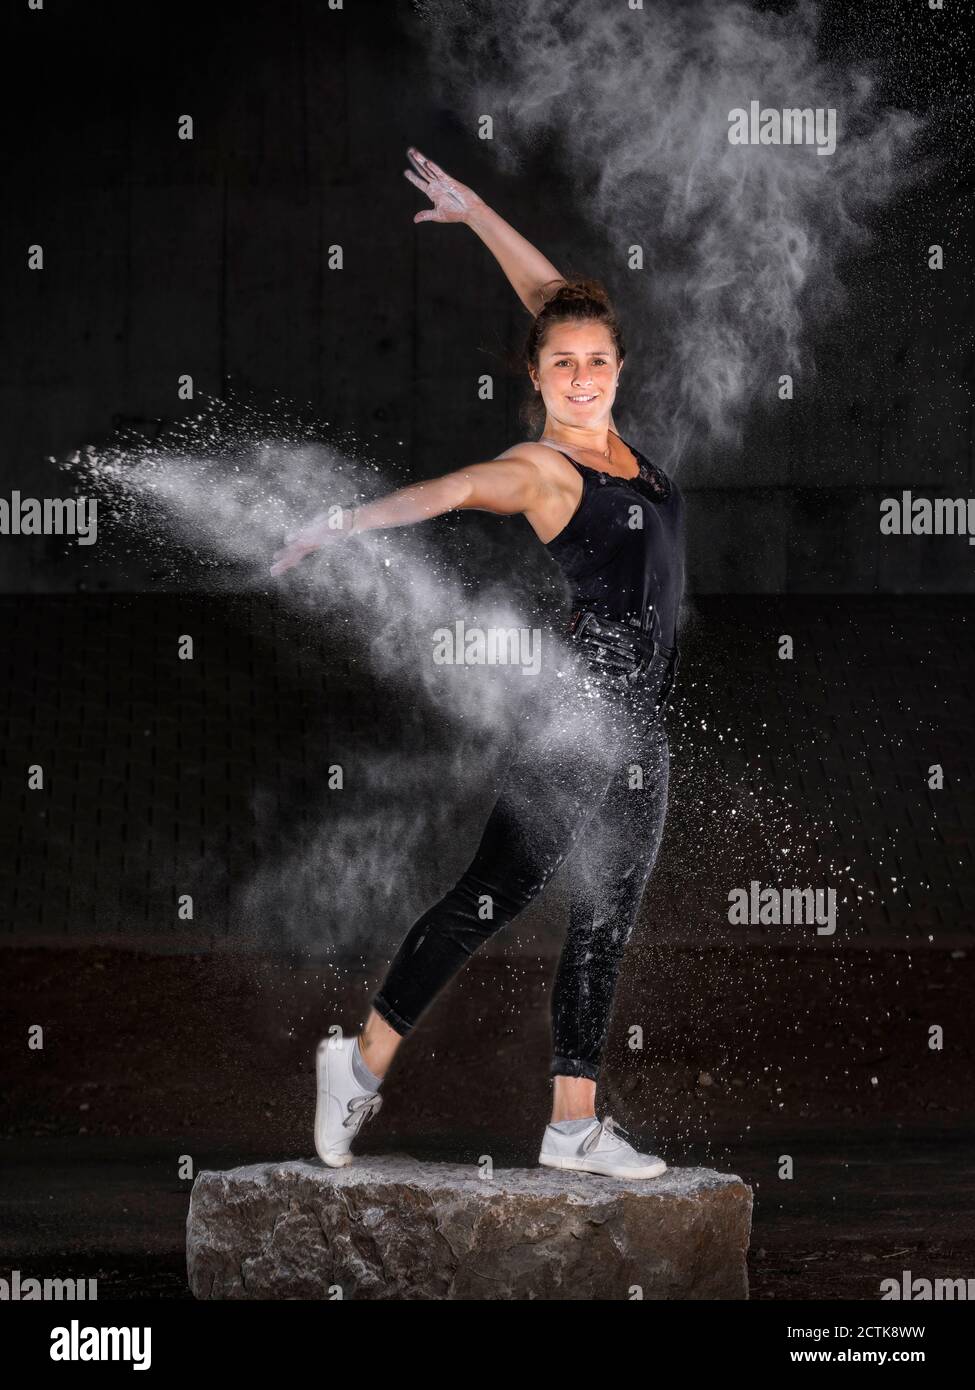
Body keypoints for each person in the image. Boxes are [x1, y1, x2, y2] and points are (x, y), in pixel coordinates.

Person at [271, 148, 685, 1179]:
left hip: (641, 725)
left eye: (597, 362)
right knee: (491, 897)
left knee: (605, 917)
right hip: (577, 714)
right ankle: (356, 1067)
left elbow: (555, 295)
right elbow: (454, 490)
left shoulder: (617, 441)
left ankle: (573, 1126)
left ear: (617, 369)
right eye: (562, 366)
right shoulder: (542, 469)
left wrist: (475, 213)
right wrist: (349, 522)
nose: (582, 377)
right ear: (536, 379)